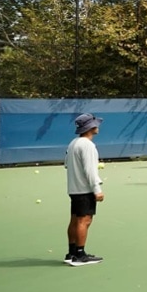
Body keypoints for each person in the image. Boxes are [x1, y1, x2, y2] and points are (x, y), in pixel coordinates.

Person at [65, 113, 105, 266]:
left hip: (74, 189)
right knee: (85, 220)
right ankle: (80, 255)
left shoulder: (73, 143)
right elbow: (90, 170)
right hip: (84, 190)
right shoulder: (88, 145)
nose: (98, 127)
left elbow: (66, 165)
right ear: (91, 127)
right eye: (95, 124)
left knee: (75, 220)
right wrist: (97, 189)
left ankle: (72, 253)